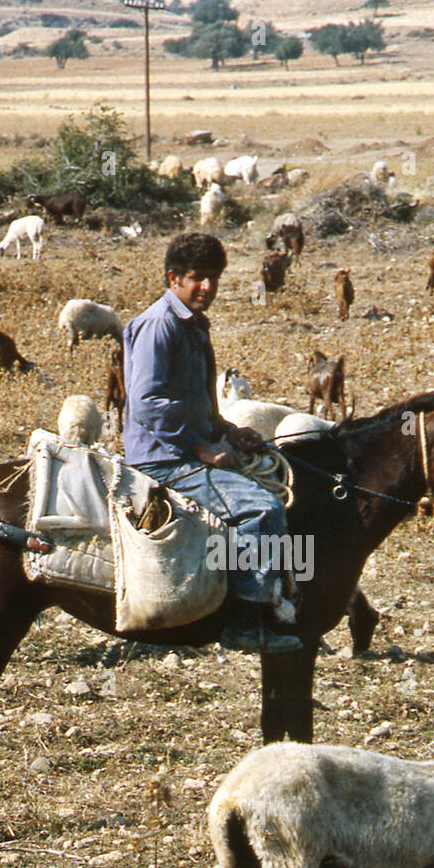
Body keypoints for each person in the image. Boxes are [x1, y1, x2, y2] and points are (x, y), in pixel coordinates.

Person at [123, 232, 303, 653]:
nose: (207, 287)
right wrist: (202, 448)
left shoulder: (193, 325)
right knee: (261, 508)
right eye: (197, 278)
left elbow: (194, 402)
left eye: (214, 279)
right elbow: (148, 404)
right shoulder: (159, 326)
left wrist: (226, 430)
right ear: (173, 278)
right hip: (165, 458)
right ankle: (243, 624)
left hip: (188, 447)